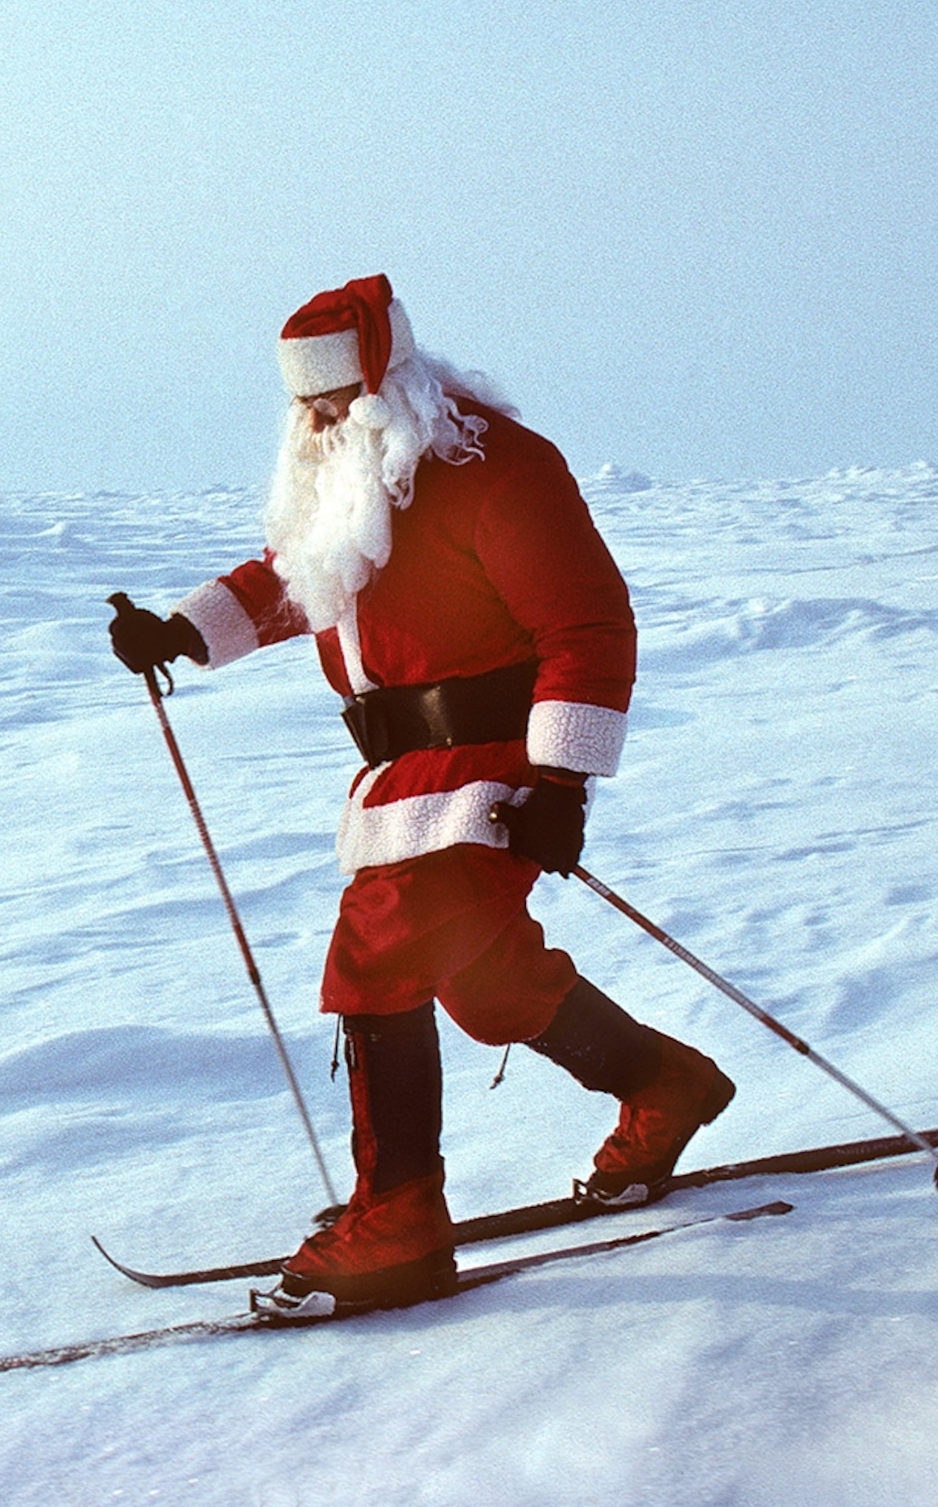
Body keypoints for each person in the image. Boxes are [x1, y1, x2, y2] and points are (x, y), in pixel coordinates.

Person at [106, 273, 735, 1317]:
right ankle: (665, 1085)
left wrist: (563, 781)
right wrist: (182, 629)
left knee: (379, 950)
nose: (314, 420)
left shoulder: (500, 470)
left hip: (495, 767)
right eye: (302, 404)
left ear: (392, 379)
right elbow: (291, 578)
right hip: (401, 776)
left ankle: (397, 1218)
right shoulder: (356, 480)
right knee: (487, 984)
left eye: (333, 401)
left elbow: (589, 626)